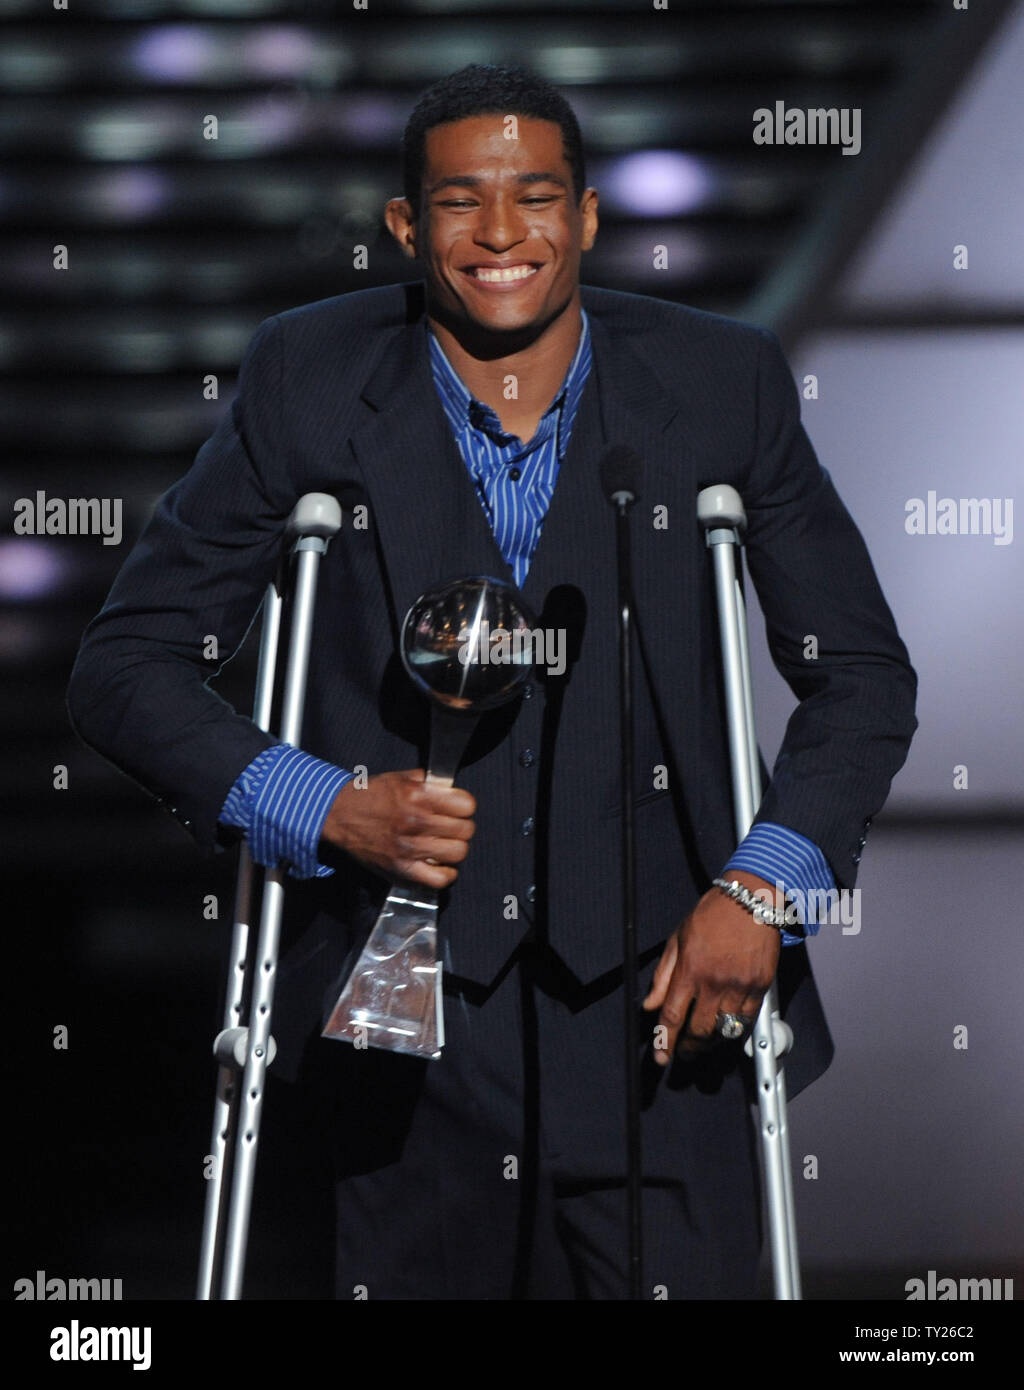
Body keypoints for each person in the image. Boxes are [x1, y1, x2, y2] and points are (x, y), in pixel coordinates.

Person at [67, 63, 917, 1300]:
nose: (504, 234)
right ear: (408, 228)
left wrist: (763, 885)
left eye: (536, 198)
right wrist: (321, 803)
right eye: (462, 203)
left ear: (584, 216)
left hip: (664, 1007)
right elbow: (126, 665)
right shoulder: (307, 377)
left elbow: (859, 674)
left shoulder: (718, 383)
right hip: (399, 1019)